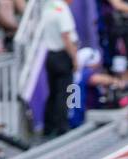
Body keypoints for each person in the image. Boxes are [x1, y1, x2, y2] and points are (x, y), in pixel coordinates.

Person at [39, 0, 78, 138]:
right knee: (64, 92)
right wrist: (74, 58)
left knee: (53, 92)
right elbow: (66, 35)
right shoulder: (62, 9)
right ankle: (62, 127)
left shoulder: (48, 6)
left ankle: (48, 127)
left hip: (51, 55)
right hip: (62, 54)